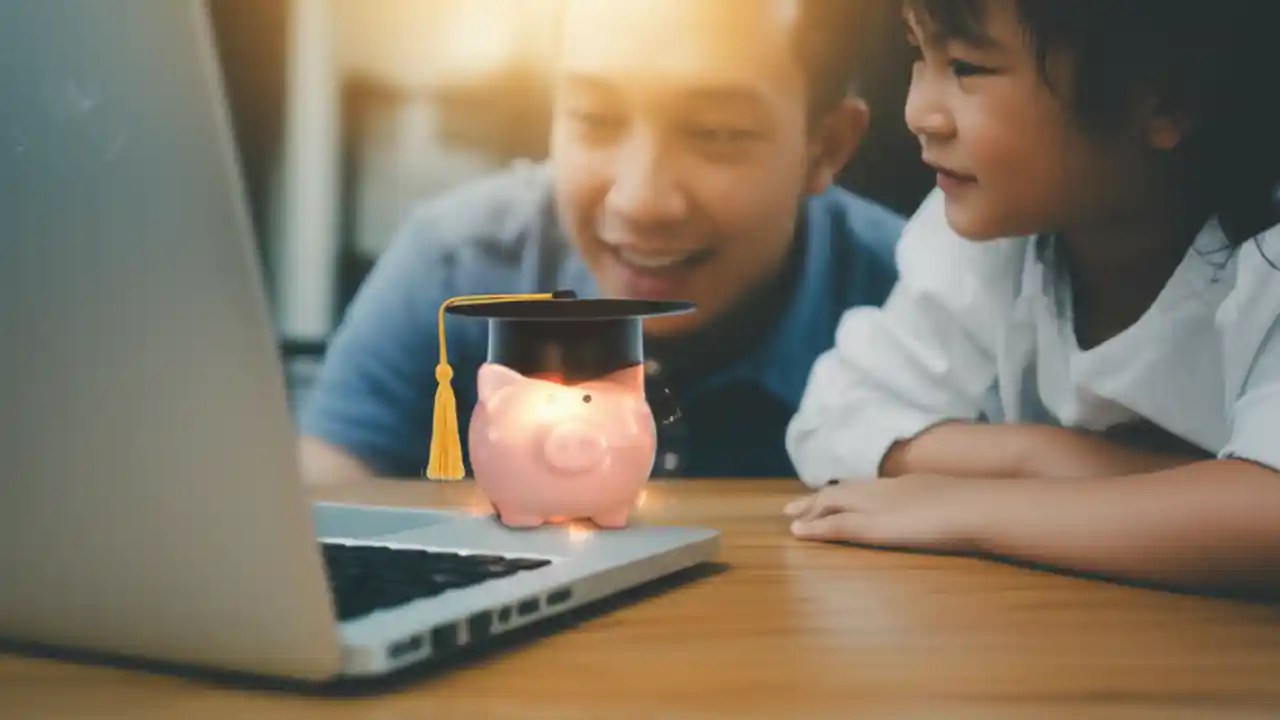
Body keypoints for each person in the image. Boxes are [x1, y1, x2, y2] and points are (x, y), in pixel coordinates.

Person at [785, 0, 1280, 598]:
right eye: (921, 54)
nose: (919, 112)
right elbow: (833, 417)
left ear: (1166, 99)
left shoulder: (1265, 261)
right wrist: (1047, 459)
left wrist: (971, 508)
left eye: (967, 67)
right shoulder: (994, 235)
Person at [299, 0, 905, 484]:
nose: (638, 201)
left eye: (716, 133)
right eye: (593, 118)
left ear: (825, 147)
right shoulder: (457, 267)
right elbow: (327, 491)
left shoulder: (919, 307)